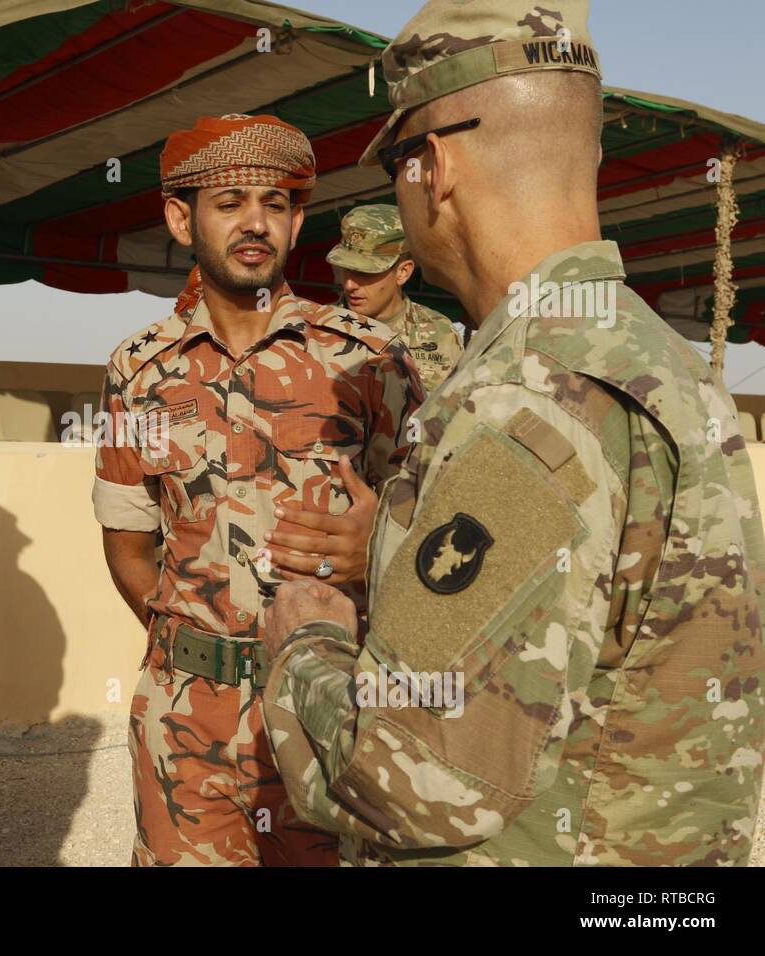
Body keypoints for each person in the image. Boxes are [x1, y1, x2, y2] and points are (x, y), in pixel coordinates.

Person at [259, 0, 765, 866]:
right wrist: (390, 535)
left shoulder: (526, 397)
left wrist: (305, 642)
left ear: (434, 167)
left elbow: (420, 784)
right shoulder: (657, 358)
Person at [93, 113, 423, 866]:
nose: (255, 224)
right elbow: (127, 536)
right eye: (230, 202)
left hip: (326, 706)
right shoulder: (138, 370)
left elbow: (430, 531)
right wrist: (192, 644)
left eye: (276, 204)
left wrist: (380, 550)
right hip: (185, 723)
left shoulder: (367, 359)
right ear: (182, 219)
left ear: (297, 220)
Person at [327, 203, 463, 391]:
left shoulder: (441, 334)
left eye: (365, 273)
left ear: (403, 273)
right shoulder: (321, 327)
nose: (349, 285)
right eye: (346, 270)